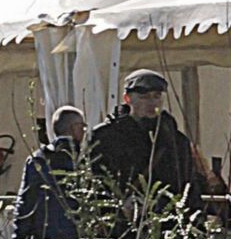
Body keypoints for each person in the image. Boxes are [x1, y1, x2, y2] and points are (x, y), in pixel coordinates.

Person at [86, 69, 203, 212]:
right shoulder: (105, 138)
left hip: (168, 222)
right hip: (122, 224)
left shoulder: (175, 140)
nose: (152, 102)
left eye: (156, 96)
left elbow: (188, 186)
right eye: (144, 97)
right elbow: (95, 182)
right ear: (127, 99)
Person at [13, 106, 84, 239]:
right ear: (74, 128)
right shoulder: (85, 159)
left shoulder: (38, 160)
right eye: (82, 127)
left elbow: (25, 205)